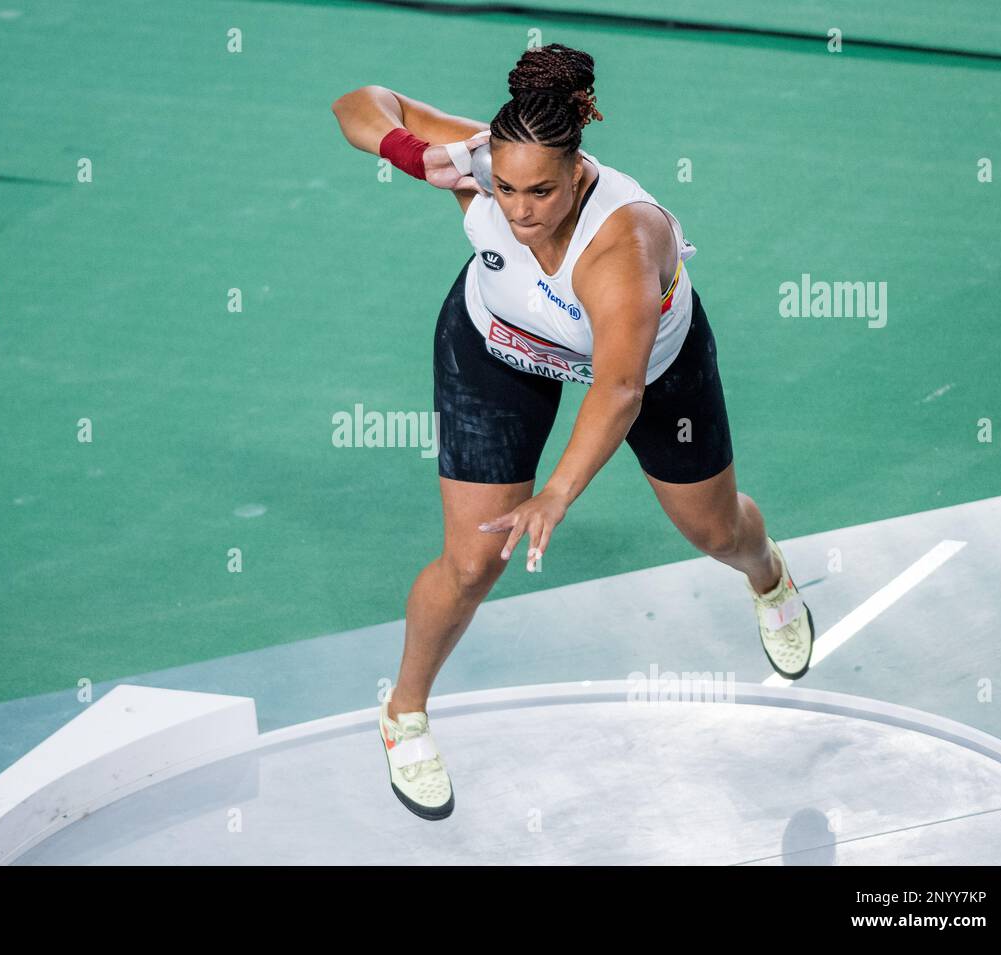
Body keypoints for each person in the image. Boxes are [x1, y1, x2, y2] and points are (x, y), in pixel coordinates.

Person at [330, 43, 814, 822]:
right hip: (501, 340)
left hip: (646, 366)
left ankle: (768, 576)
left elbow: (618, 389)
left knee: (714, 529)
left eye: (542, 192)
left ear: (579, 170)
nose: (520, 211)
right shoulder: (486, 163)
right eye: (508, 190)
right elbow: (359, 99)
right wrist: (412, 155)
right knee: (472, 558)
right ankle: (404, 713)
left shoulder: (621, 247)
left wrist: (555, 493)